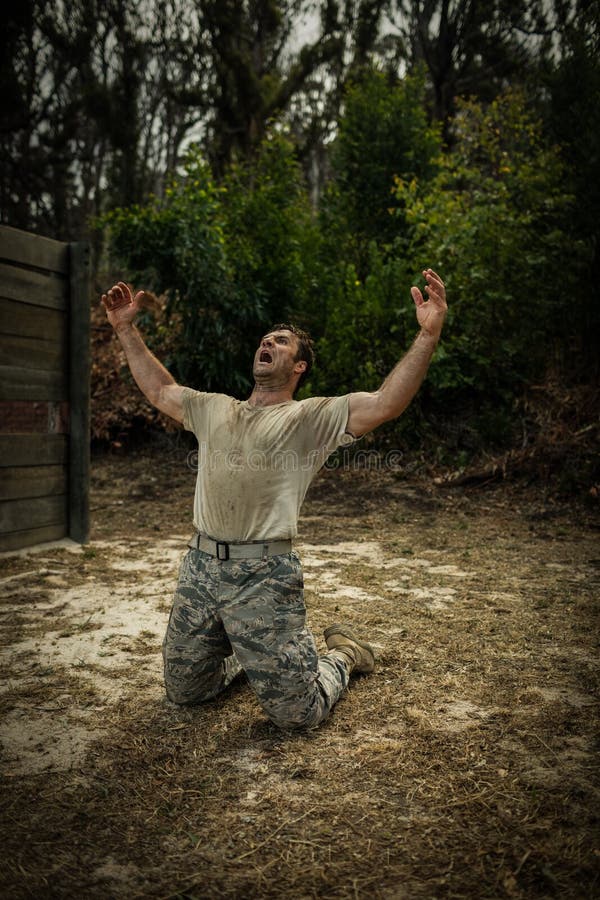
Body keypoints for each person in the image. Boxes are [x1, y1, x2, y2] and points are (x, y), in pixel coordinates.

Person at [101, 269, 447, 730]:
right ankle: (251, 657)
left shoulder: (310, 417)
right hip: (199, 569)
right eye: (265, 339)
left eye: (281, 341)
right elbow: (161, 389)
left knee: (297, 715)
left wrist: (427, 333)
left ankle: (344, 655)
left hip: (263, 576)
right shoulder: (213, 408)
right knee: (186, 694)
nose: (268, 343)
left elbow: (386, 401)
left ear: (298, 365)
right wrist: (125, 328)